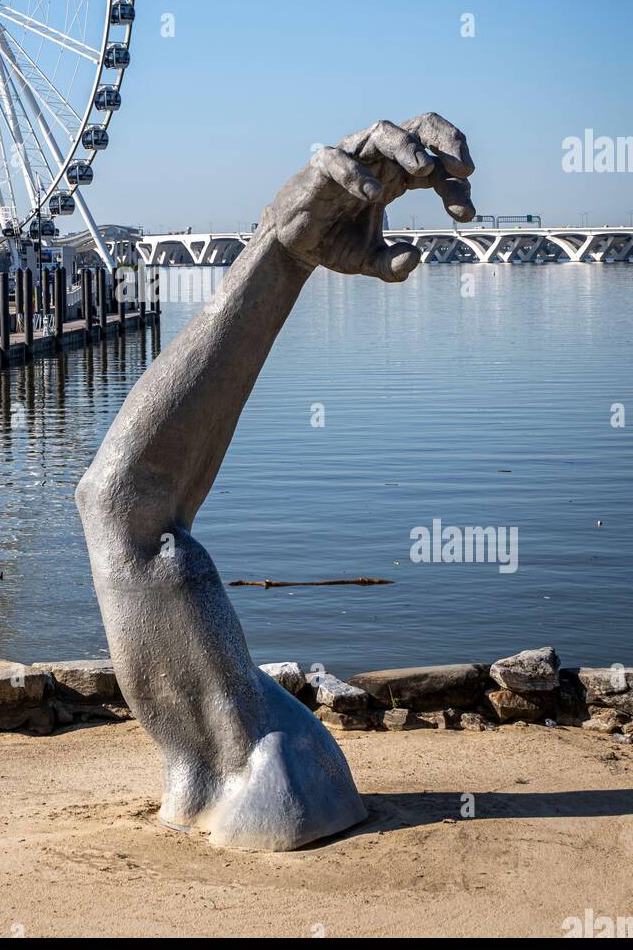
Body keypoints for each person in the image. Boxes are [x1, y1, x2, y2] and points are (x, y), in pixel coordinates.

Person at [76, 113, 475, 851]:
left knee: (117, 509)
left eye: (179, 566)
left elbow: (121, 496)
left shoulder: (273, 770)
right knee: (119, 511)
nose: (173, 559)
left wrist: (280, 253)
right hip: (254, 772)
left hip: (267, 783)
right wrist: (283, 254)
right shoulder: (255, 753)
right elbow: (126, 499)